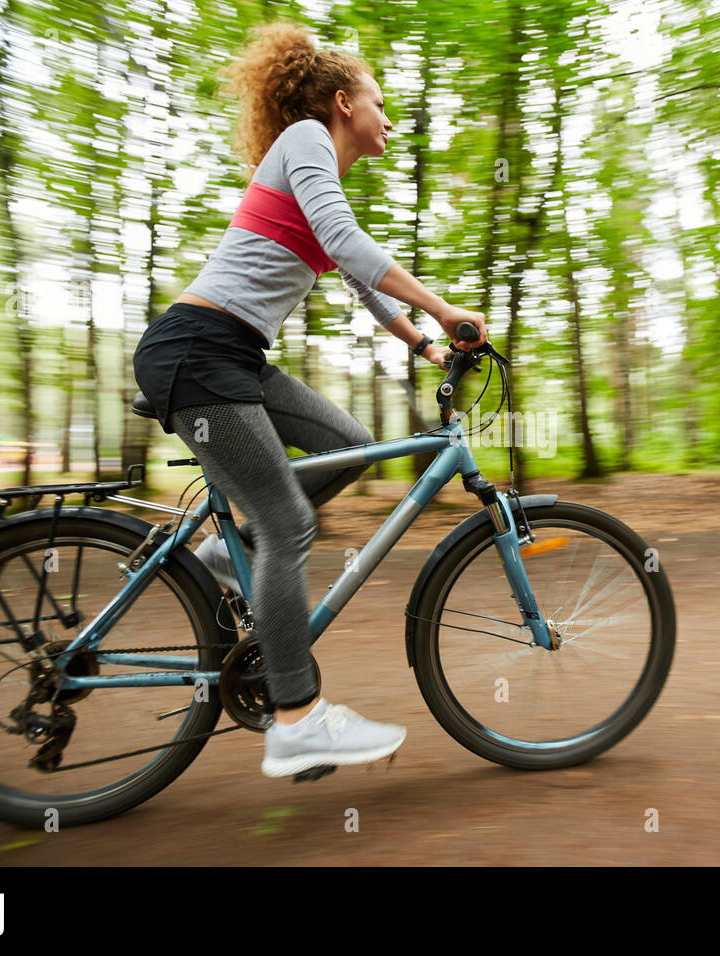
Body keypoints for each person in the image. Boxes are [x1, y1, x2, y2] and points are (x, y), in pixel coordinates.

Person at [131, 21, 488, 779]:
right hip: (198, 355)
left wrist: (426, 344)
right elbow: (350, 243)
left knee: (346, 441)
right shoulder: (303, 141)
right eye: (378, 101)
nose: (387, 119)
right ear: (340, 102)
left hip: (230, 357)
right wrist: (444, 306)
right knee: (289, 523)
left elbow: (358, 280)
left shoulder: (318, 168)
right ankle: (297, 721)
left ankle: (230, 558)